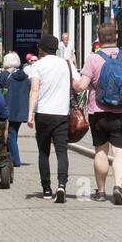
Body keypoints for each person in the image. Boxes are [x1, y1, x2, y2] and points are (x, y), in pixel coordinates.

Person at [74, 22, 122, 205]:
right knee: (120, 152)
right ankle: (118, 186)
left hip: (99, 112)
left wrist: (73, 83)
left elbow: (81, 86)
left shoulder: (93, 59)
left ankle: (101, 191)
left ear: (99, 39)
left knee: (101, 151)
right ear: (116, 37)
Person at [25, 33, 73, 203]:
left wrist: (30, 114)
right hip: (61, 113)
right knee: (62, 152)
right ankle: (62, 185)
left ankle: (46, 189)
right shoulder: (66, 64)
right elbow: (78, 84)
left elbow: (34, 90)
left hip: (43, 114)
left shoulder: (37, 66)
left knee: (43, 152)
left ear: (42, 48)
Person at [0, 52, 29, 167]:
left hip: (8, 109)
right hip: (21, 110)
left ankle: (15, 161)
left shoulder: (4, 76)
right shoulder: (24, 76)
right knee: (13, 134)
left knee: (10, 135)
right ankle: (10, 157)